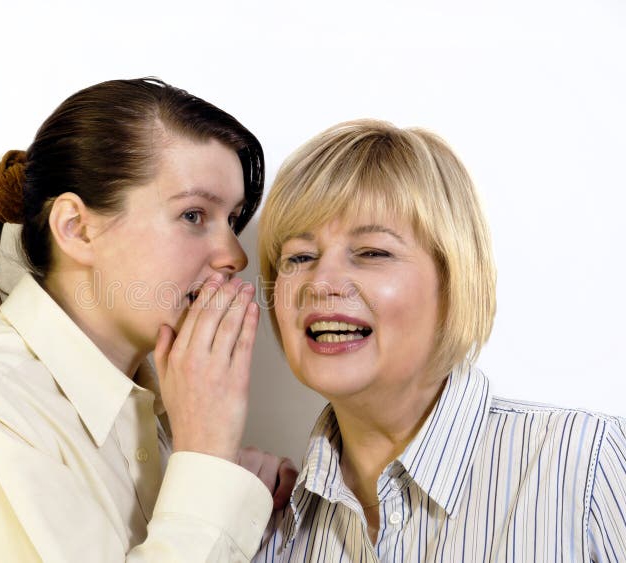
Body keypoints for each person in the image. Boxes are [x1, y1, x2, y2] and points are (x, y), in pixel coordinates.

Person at [0, 78, 296, 562]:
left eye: (234, 219)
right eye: (194, 215)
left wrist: (228, 488)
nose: (234, 255)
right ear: (77, 229)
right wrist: (207, 462)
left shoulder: (156, 415)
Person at [254, 119, 626, 561]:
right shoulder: (265, 524)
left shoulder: (584, 465)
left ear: (453, 280)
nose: (322, 282)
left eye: (373, 252)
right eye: (300, 257)